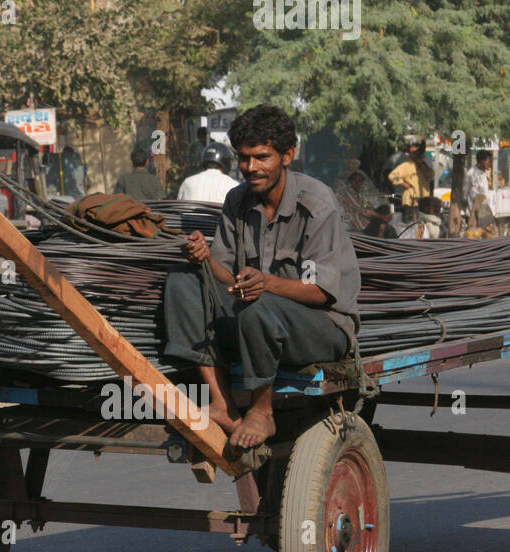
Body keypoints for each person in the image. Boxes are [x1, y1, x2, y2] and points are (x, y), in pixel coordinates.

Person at [163, 104, 360, 450]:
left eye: (261, 157)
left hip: (320, 325)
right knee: (182, 280)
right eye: (243, 158)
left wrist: (265, 284)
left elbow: (322, 292)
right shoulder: (237, 201)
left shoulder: (316, 203)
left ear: (287, 155)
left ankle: (261, 410)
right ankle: (221, 402)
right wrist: (205, 258)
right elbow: (225, 279)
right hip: (254, 316)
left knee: (256, 303)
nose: (250, 168)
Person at [388, 142, 434, 224]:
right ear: (409, 154)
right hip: (410, 201)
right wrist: (404, 184)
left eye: (417, 152)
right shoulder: (406, 165)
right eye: (413, 153)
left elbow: (431, 175)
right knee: (410, 225)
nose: (415, 154)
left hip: (424, 201)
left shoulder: (425, 165)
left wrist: (421, 165)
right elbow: (392, 176)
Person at [465, 149, 493, 230]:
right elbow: (465, 193)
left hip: (485, 211)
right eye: (488, 161)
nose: (489, 164)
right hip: (474, 213)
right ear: (481, 161)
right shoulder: (471, 173)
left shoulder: (483, 174)